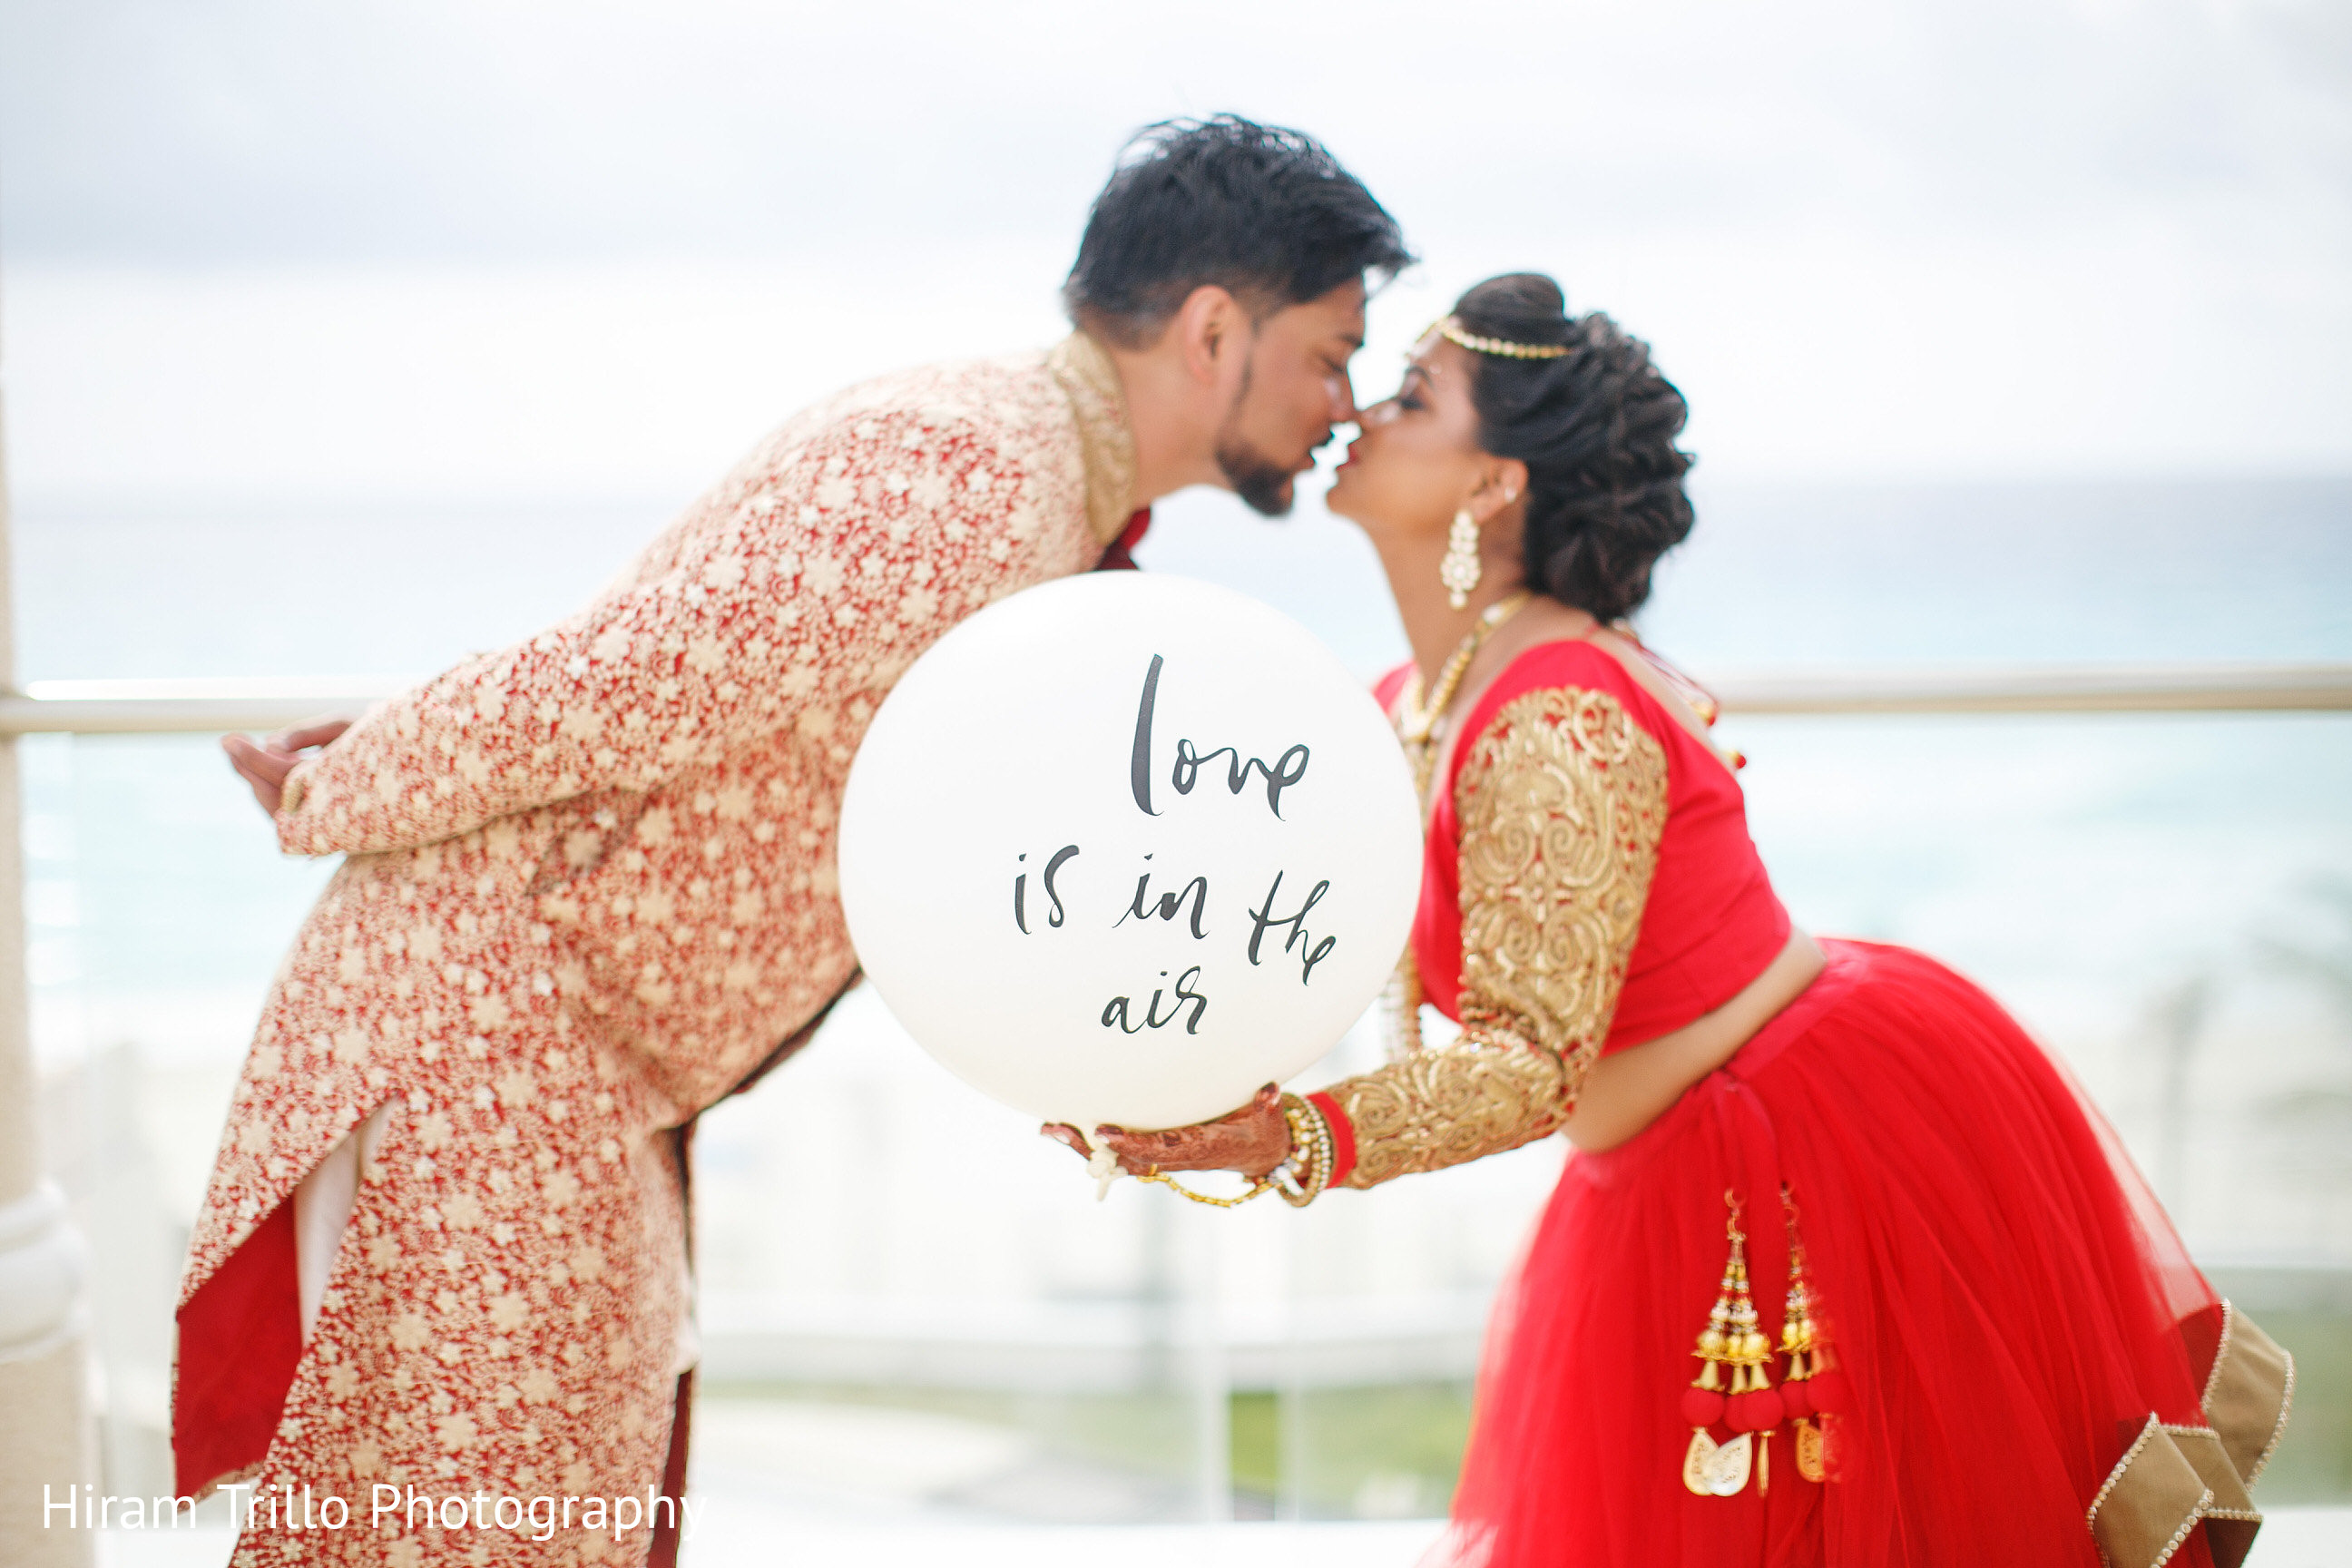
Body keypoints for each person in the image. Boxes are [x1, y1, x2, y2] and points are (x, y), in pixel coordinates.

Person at [181, 114, 1411, 1567]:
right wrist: (338, 784)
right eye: (1332, 353)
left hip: (570, 1063)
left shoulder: (1030, 482)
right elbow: (625, 684)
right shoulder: (974, 475)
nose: (1345, 404)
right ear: (1213, 330)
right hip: (495, 1041)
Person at [1070, 274, 2291, 1568]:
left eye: (1414, 397)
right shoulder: (1412, 701)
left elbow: (1531, 1066)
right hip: (1654, 1172)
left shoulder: (1558, 711)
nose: (1361, 413)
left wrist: (1285, 1135)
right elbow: (1295, 929)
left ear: (1493, 484)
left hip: (1809, 1156)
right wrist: (1148, 1051)